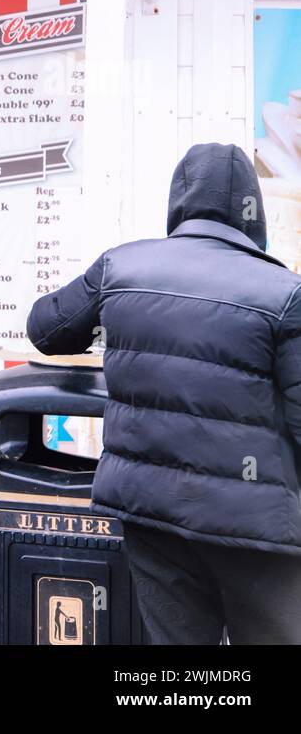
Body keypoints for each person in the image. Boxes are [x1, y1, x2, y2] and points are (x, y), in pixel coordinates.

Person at [27, 143, 301, 644]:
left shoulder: (121, 267)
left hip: (150, 511)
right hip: (255, 527)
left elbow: (45, 328)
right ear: (253, 209)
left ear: (179, 199)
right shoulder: (283, 292)